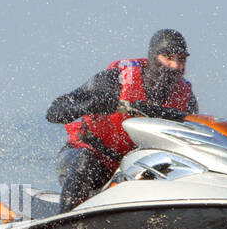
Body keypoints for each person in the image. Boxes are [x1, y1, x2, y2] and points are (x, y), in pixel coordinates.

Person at [46, 29, 199, 211]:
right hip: (85, 156)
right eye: (169, 57)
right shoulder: (116, 80)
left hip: (132, 166)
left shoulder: (185, 99)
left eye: (181, 59)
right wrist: (90, 105)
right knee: (87, 163)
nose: (175, 66)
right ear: (153, 57)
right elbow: (54, 112)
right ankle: (65, 224)